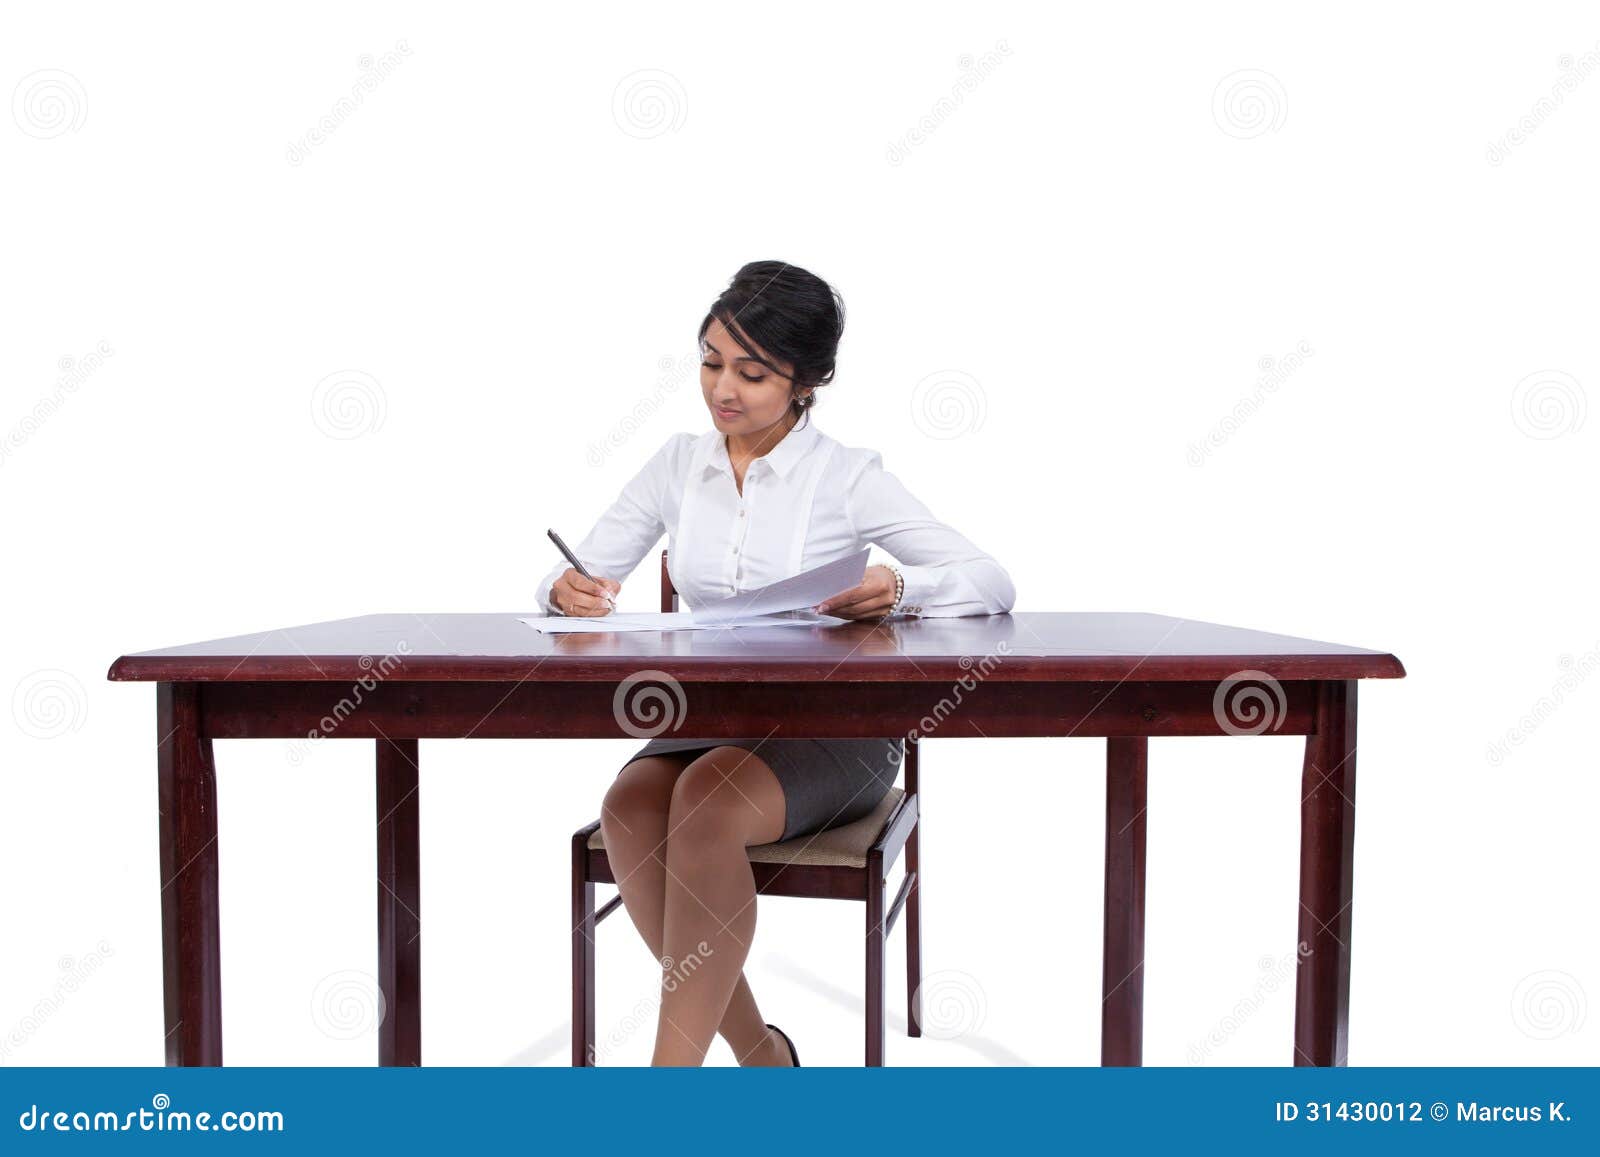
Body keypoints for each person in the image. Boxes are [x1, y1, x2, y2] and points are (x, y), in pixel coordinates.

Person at [534, 260, 1015, 1065]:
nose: (724, 388)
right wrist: (566, 589)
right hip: (707, 721)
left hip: (834, 730)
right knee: (629, 806)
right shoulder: (677, 465)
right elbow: (576, 570)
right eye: (711, 361)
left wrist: (897, 587)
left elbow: (992, 581)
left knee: (706, 809)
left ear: (806, 381)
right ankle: (761, 1054)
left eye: (752, 372)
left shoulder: (848, 476)